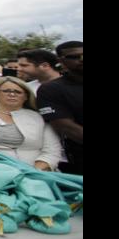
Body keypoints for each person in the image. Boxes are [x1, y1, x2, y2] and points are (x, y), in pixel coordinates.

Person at [0, 76, 63, 171]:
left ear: (26, 96)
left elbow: (52, 151)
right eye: (6, 91)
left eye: (18, 92)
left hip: (37, 172)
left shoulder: (40, 117)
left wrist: (35, 172)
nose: (12, 94)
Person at [37, 41, 82, 174]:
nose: (81, 59)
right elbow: (66, 127)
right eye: (74, 57)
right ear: (60, 60)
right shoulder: (50, 89)